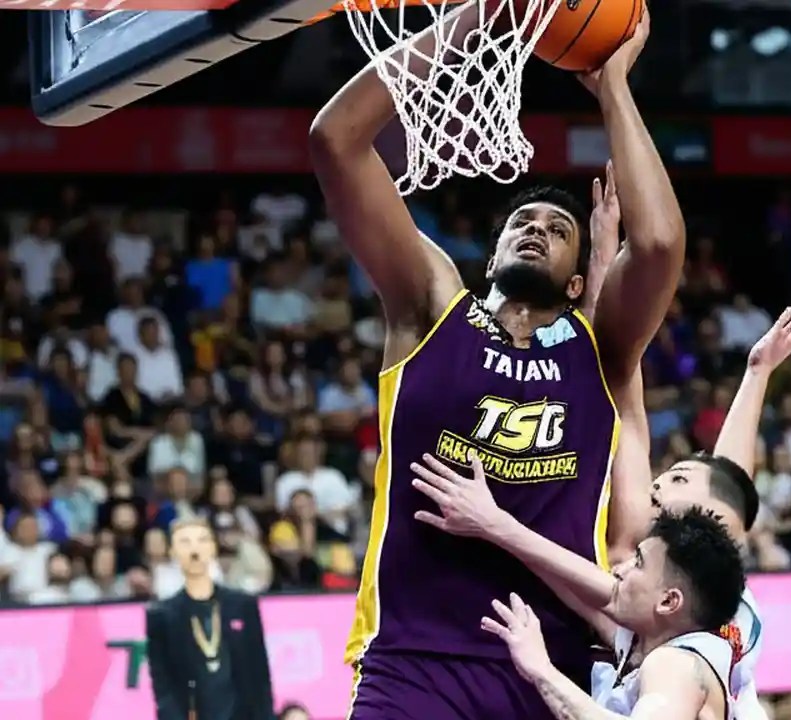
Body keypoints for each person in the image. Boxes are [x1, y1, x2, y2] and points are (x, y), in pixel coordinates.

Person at [309, 3, 683, 717]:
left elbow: (660, 244)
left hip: (550, 666)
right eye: (522, 223)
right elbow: (336, 141)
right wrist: (484, 14)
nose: (536, 229)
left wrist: (614, 90)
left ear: (580, 281)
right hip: (411, 662)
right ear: (493, 255)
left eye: (558, 228)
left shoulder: (599, 349)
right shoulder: (430, 308)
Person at [412, 294, 791, 718]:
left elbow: (725, 487)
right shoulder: (646, 625)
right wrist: (757, 372)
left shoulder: (683, 655)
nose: (659, 483)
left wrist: (541, 668)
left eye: (679, 479)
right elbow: (593, 591)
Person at [481, 507, 746, 719]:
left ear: (668, 601)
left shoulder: (676, 663)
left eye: (639, 562)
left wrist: (540, 668)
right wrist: (496, 526)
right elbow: (578, 589)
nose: (620, 569)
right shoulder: (639, 640)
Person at [144, 517, 273, 720]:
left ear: (213, 547)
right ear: (172, 552)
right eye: (185, 542)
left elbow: (260, 674)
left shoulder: (242, 605)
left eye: (202, 540)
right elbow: (163, 685)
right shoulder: (162, 615)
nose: (195, 550)